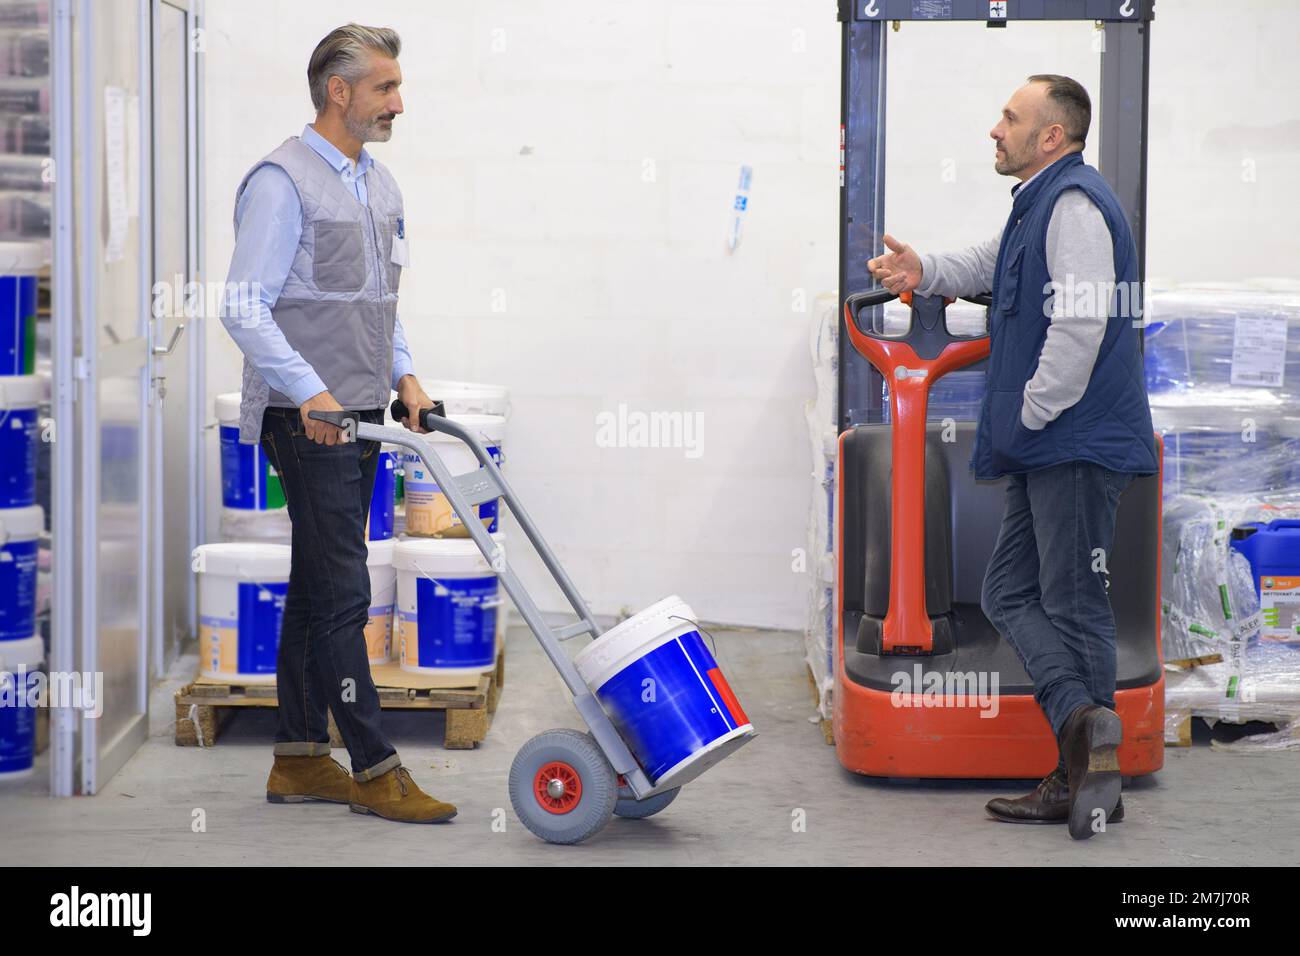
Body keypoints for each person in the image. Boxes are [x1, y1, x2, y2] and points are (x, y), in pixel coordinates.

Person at [867, 75, 1158, 840]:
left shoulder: (1075, 207)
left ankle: (1085, 775)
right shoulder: (1038, 204)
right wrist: (920, 272)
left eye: (1010, 118)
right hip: (1050, 442)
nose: (995, 130)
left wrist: (1031, 409)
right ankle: (1084, 730)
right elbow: (988, 266)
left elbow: (1081, 323)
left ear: (1052, 136)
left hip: (1073, 439)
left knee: (1072, 601)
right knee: (1007, 592)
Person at [221, 23, 455, 824]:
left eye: (397, 85)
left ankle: (295, 759)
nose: (399, 101)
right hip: (307, 418)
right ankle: (374, 766)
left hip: (358, 416)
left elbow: (376, 307)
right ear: (338, 91)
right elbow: (243, 307)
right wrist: (310, 392)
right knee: (345, 591)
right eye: (386, 87)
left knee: (317, 585)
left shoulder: (378, 186)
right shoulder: (281, 183)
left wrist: (407, 379)